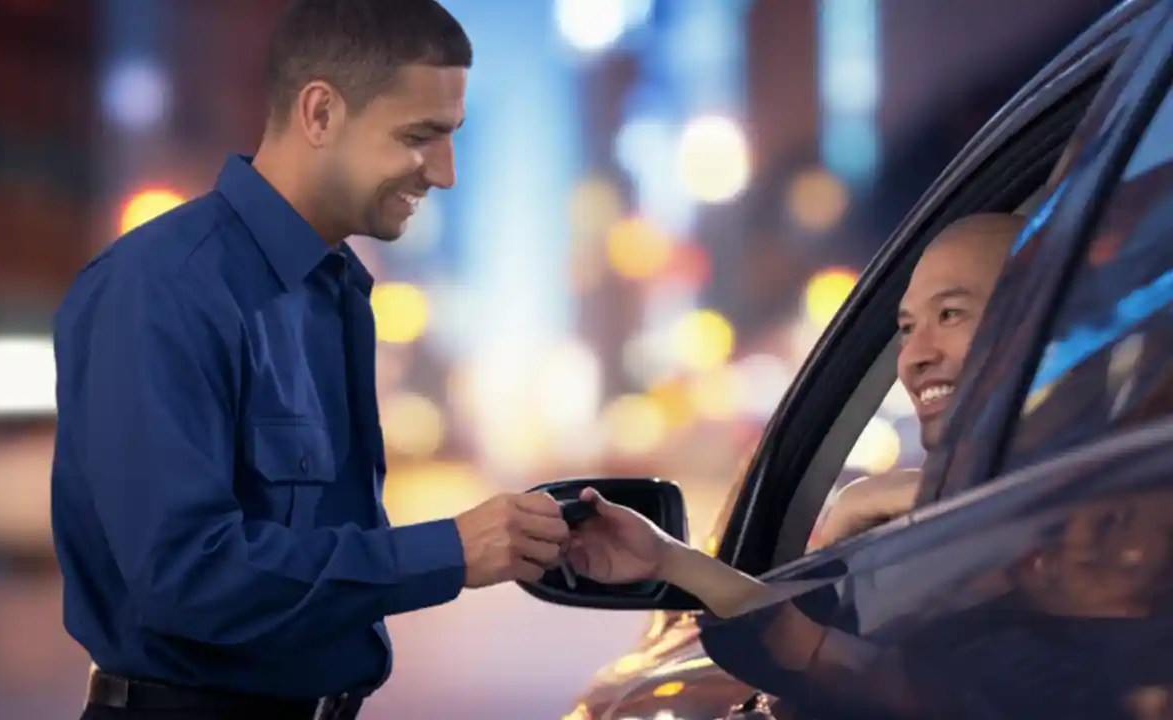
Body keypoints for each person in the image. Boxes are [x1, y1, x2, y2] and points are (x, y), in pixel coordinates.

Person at [51, 3, 569, 719]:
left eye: (451, 138)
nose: (445, 174)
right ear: (320, 113)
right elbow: (184, 576)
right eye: (420, 136)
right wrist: (448, 550)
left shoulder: (335, 290)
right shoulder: (162, 288)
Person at [565, 212, 1025, 619]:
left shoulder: (1061, 523)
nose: (913, 357)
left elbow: (832, 665)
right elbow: (825, 656)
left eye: (950, 314)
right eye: (907, 328)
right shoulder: (996, 500)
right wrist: (666, 560)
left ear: (1038, 317)